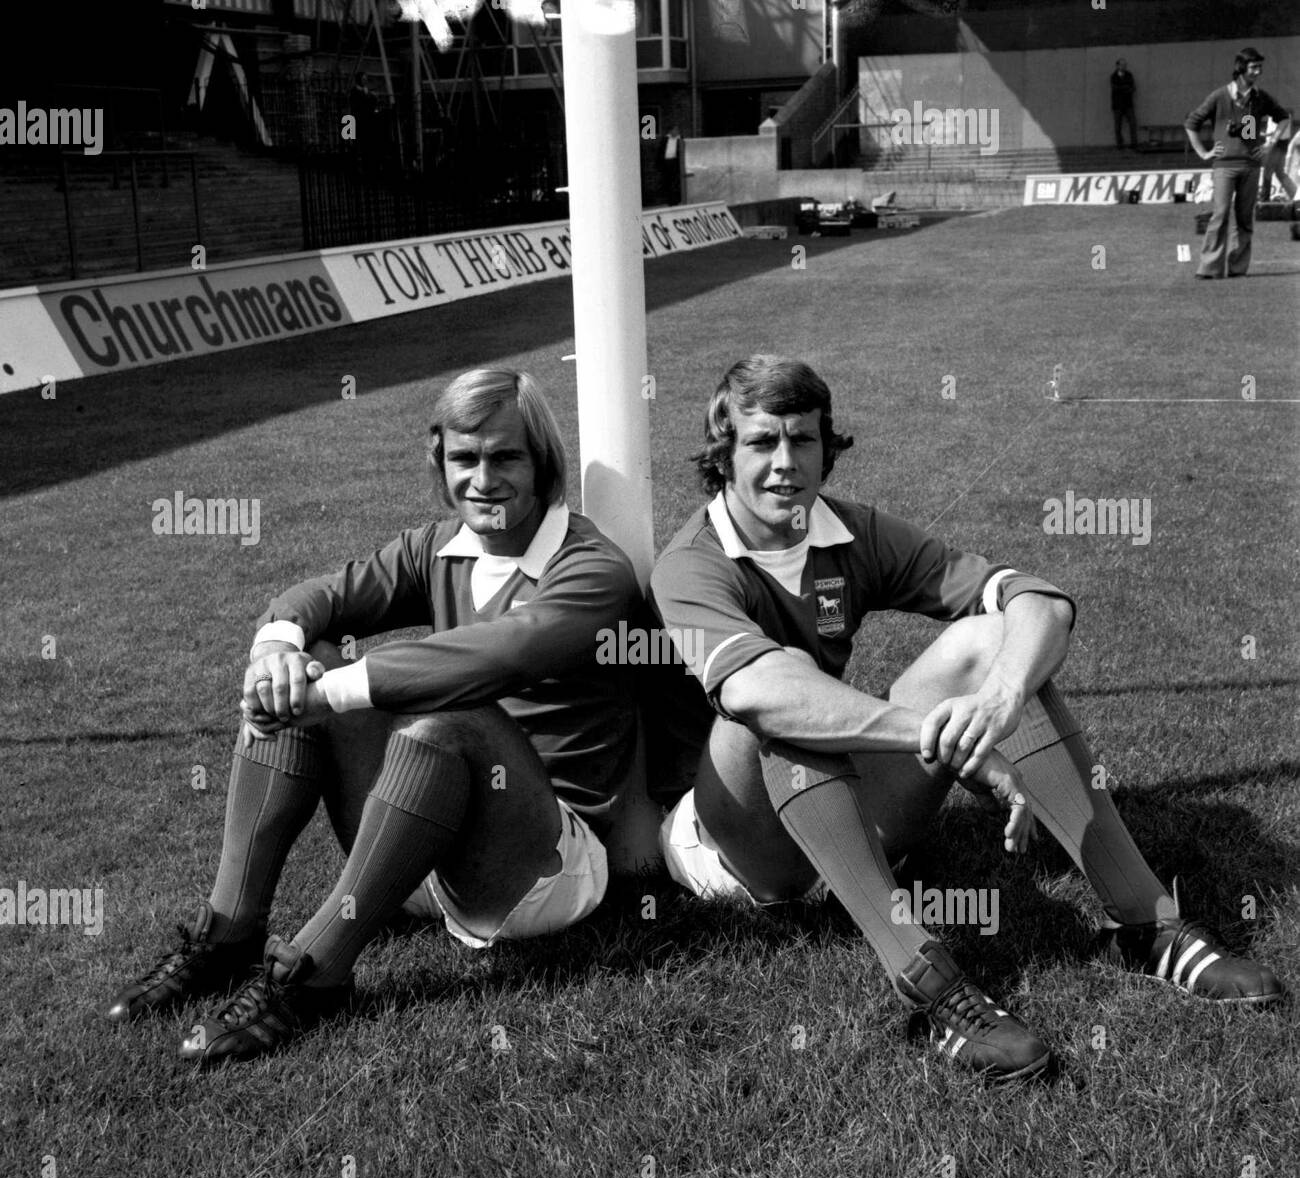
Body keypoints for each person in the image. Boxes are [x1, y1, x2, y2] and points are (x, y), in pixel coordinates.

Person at [647, 357, 1282, 1083]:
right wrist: (943, 742)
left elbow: (1037, 600)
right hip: (741, 849)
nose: (786, 463)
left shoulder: (848, 530)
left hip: (853, 814)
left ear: (829, 447)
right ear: (722, 452)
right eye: (762, 442)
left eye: (804, 440)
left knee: (988, 642)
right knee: (776, 699)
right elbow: (762, 691)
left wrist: (1000, 700)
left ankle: (1145, 924)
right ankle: (931, 986)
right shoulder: (691, 562)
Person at [106, 368, 641, 1064]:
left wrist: (328, 693)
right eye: (464, 458)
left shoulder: (593, 566)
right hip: (428, 848)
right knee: (313, 655)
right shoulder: (437, 548)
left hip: (545, 868)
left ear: (543, 461)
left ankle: (315, 974)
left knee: (448, 708)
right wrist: (277, 654)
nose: (483, 479)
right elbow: (319, 596)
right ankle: (230, 931)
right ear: (440, 465)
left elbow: (501, 655)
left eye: (505, 456)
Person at [1185, 47, 1291, 279]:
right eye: (1254, 67)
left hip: (1251, 166)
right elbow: (1191, 123)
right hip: (1224, 166)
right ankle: (1210, 268)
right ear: (1240, 68)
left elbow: (1283, 118)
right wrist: (1204, 152)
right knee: (1220, 215)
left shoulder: (1260, 98)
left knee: (1245, 219)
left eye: (1260, 67)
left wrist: (1270, 142)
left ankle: (1238, 268)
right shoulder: (1219, 96)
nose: (1258, 71)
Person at [1111, 59, 1138, 151]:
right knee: (1117, 126)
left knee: (1133, 124)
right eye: (1122, 65)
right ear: (1117, 66)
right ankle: (1120, 144)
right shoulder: (1113, 76)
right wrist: (1126, 87)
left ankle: (1134, 144)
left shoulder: (1129, 75)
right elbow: (1115, 88)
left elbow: (1132, 88)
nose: (1124, 66)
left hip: (1128, 104)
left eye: (1125, 65)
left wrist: (1123, 88)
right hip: (1118, 105)